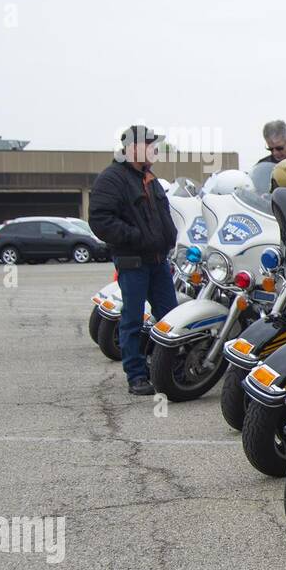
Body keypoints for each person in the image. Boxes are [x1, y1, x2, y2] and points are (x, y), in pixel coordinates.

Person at [88, 125, 180, 395]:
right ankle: (137, 376)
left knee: (170, 317)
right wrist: (136, 237)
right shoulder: (113, 178)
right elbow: (100, 220)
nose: (154, 150)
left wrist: (168, 238)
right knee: (131, 320)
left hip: (158, 261)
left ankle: (167, 367)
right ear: (133, 148)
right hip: (133, 262)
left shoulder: (148, 177)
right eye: (150, 145)